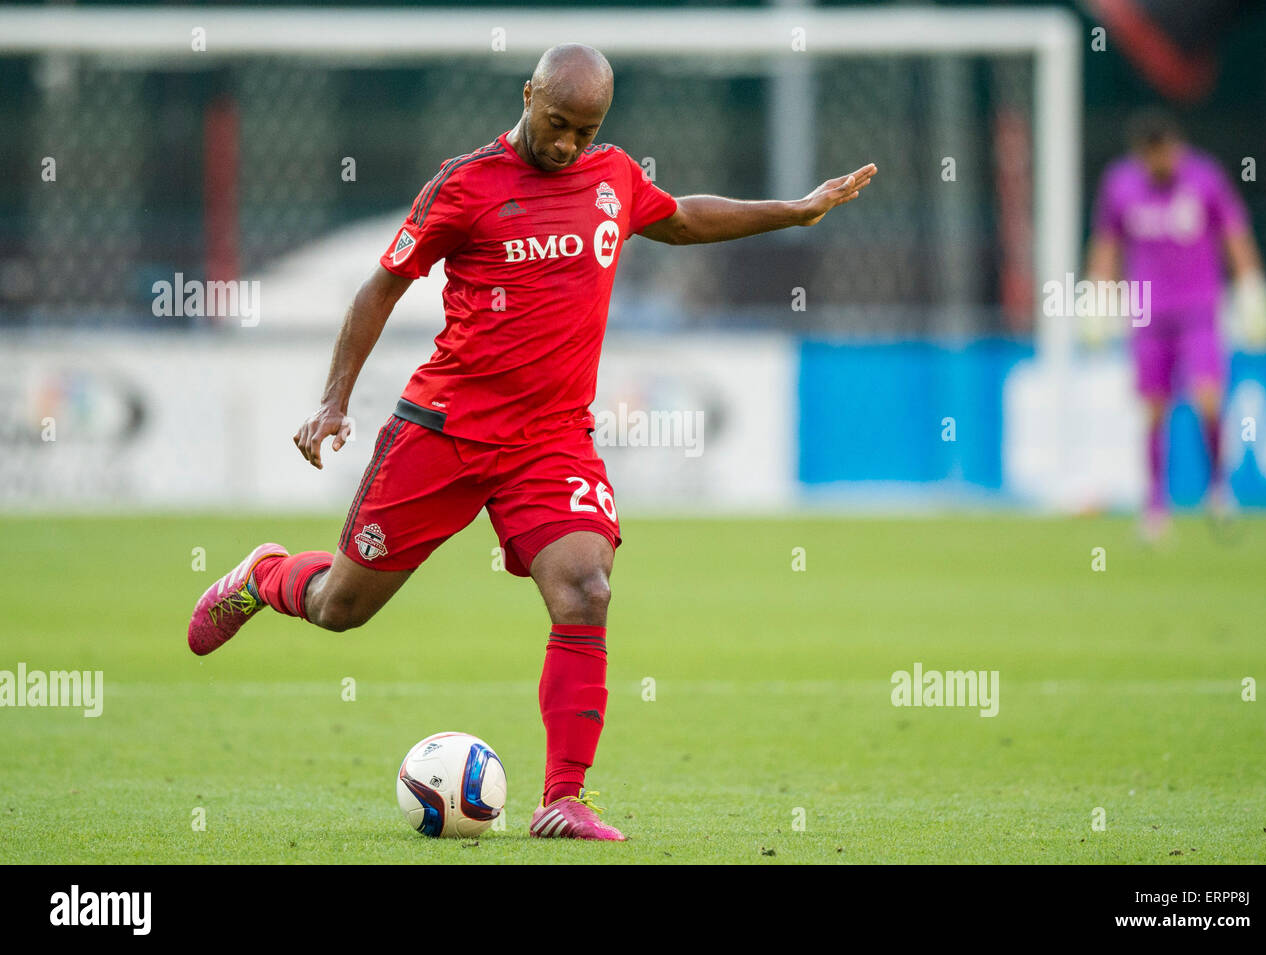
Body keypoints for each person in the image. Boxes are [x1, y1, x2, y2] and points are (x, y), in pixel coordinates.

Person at [186, 43, 876, 840]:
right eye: (557, 124)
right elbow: (380, 286)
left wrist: (793, 210)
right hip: (444, 430)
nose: (568, 145)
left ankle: (565, 795)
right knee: (341, 607)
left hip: (550, 439)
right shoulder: (465, 185)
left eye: (585, 130)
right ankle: (262, 574)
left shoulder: (612, 176)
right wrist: (334, 399)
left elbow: (679, 217)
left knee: (587, 589)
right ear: (527, 96)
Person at [1085, 109, 1266, 539]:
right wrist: (1097, 294)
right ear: (1140, 156)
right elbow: (1108, 242)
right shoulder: (1121, 184)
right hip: (1148, 311)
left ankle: (1219, 492)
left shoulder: (1205, 178)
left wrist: (1251, 287)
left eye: (1165, 155)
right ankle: (1154, 507)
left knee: (1208, 396)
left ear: (1176, 147)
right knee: (1152, 408)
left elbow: (1234, 233)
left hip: (1199, 308)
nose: (1160, 165)